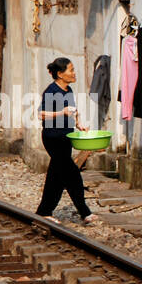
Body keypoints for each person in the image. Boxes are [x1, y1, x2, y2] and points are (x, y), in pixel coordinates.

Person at [36, 57, 100, 225]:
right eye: (70, 70)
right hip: (53, 138)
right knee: (72, 174)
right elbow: (40, 114)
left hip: (66, 138)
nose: (74, 73)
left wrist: (79, 125)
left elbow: (73, 111)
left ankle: (44, 212)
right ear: (60, 74)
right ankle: (84, 212)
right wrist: (60, 113)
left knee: (56, 176)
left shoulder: (68, 90)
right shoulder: (52, 91)